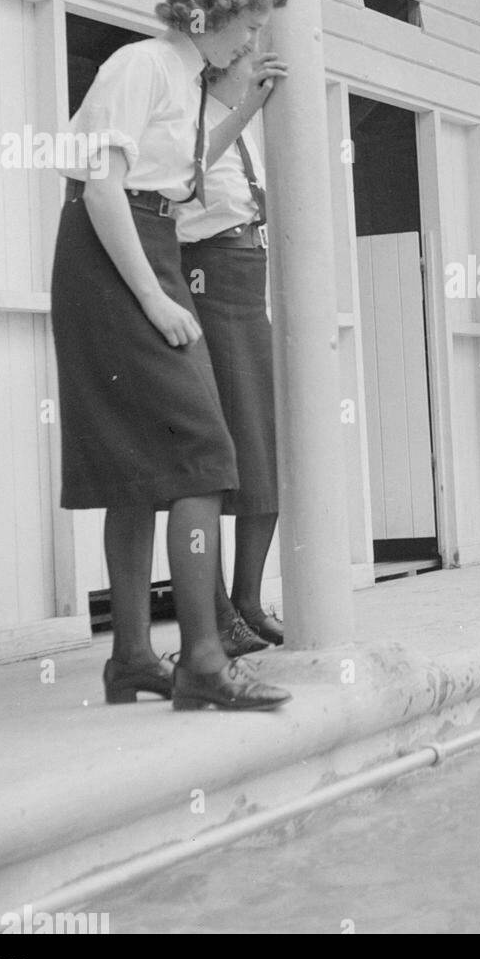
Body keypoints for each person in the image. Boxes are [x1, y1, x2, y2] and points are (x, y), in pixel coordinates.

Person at [51, 0, 291, 711]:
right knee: (205, 458)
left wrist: (247, 106)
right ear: (205, 17)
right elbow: (101, 187)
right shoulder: (142, 63)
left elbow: (180, 179)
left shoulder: (189, 85)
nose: (251, 44)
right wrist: (155, 299)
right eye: (248, 27)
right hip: (112, 252)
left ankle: (129, 658)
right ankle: (203, 661)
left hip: (148, 239)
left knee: (139, 469)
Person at [177, 51, 283, 658]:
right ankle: (216, 613)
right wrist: (248, 108)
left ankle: (248, 599)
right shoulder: (193, 121)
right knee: (217, 451)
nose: (260, 61)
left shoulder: (248, 121)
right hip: (208, 276)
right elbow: (189, 177)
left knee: (261, 444)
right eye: (248, 52)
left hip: (250, 278)